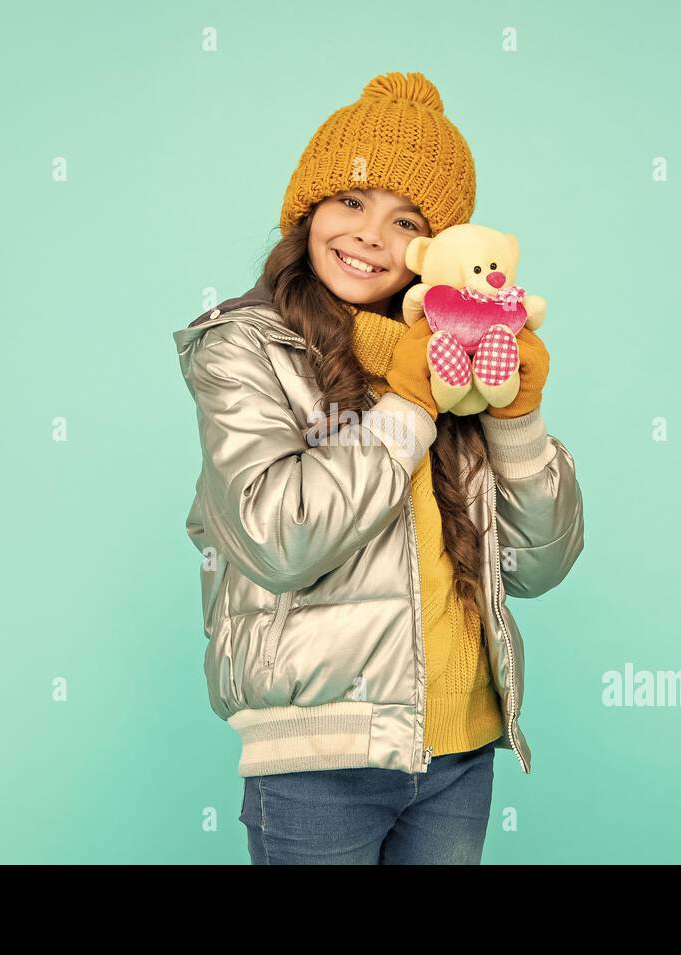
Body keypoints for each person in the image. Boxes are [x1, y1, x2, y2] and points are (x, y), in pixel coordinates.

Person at [172, 71, 584, 864]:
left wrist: (516, 415)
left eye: (406, 221)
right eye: (351, 201)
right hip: (319, 755)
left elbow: (538, 565)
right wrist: (406, 407)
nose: (368, 234)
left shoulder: (453, 365)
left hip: (460, 746)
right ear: (310, 210)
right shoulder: (246, 347)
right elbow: (277, 536)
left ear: (436, 252)